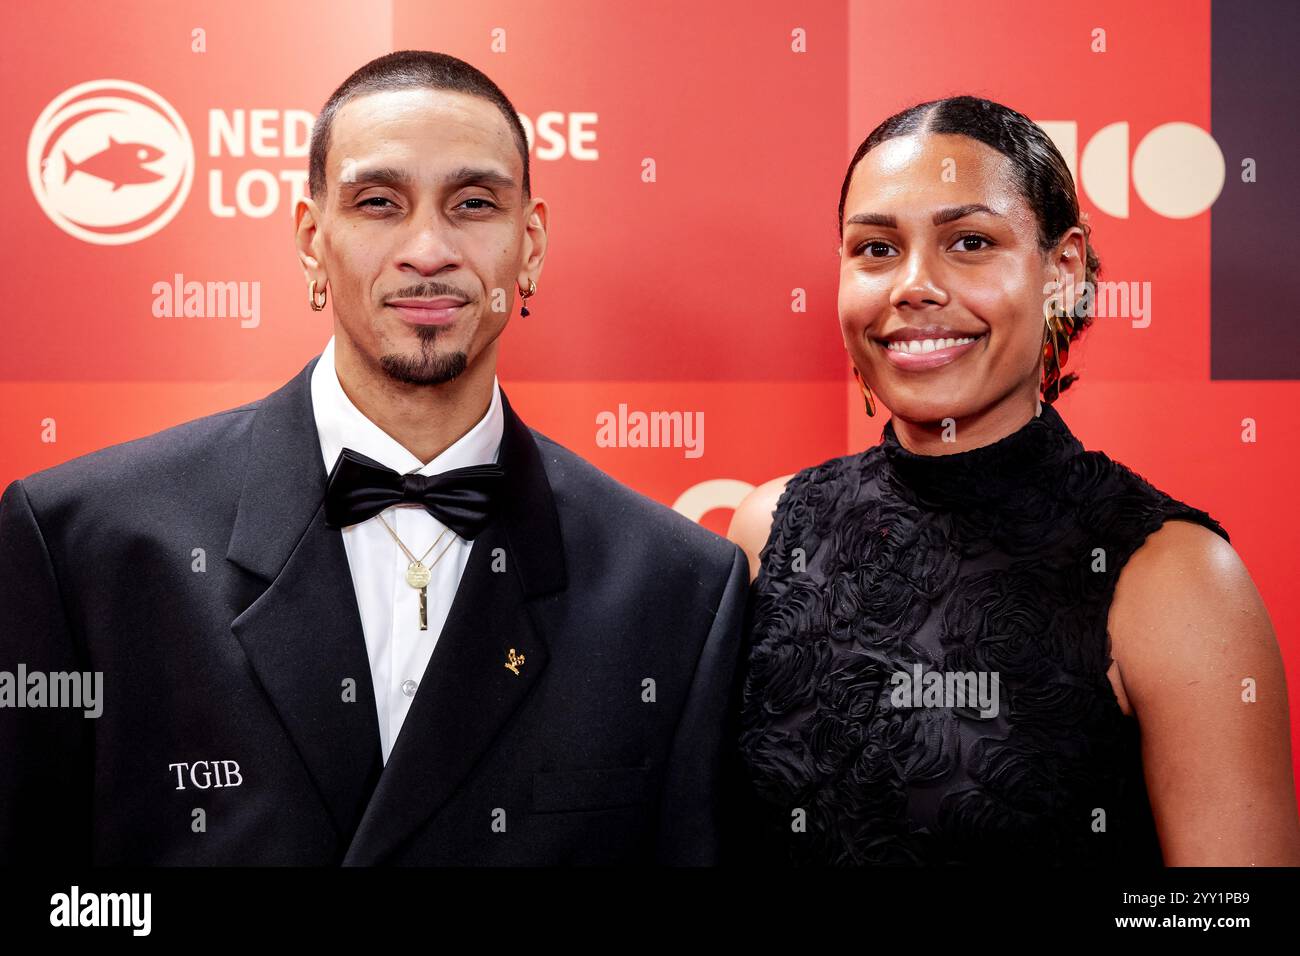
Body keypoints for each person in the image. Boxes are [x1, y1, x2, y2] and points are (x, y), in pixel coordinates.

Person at [0, 50, 748, 865]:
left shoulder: (677, 586)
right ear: (311, 239)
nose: (428, 250)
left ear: (530, 244)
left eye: (472, 203)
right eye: (380, 203)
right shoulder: (87, 545)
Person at [727, 95, 1300, 866]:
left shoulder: (1175, 577)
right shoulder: (770, 529)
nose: (914, 286)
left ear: (1061, 271)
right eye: (875, 250)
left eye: (969, 241)